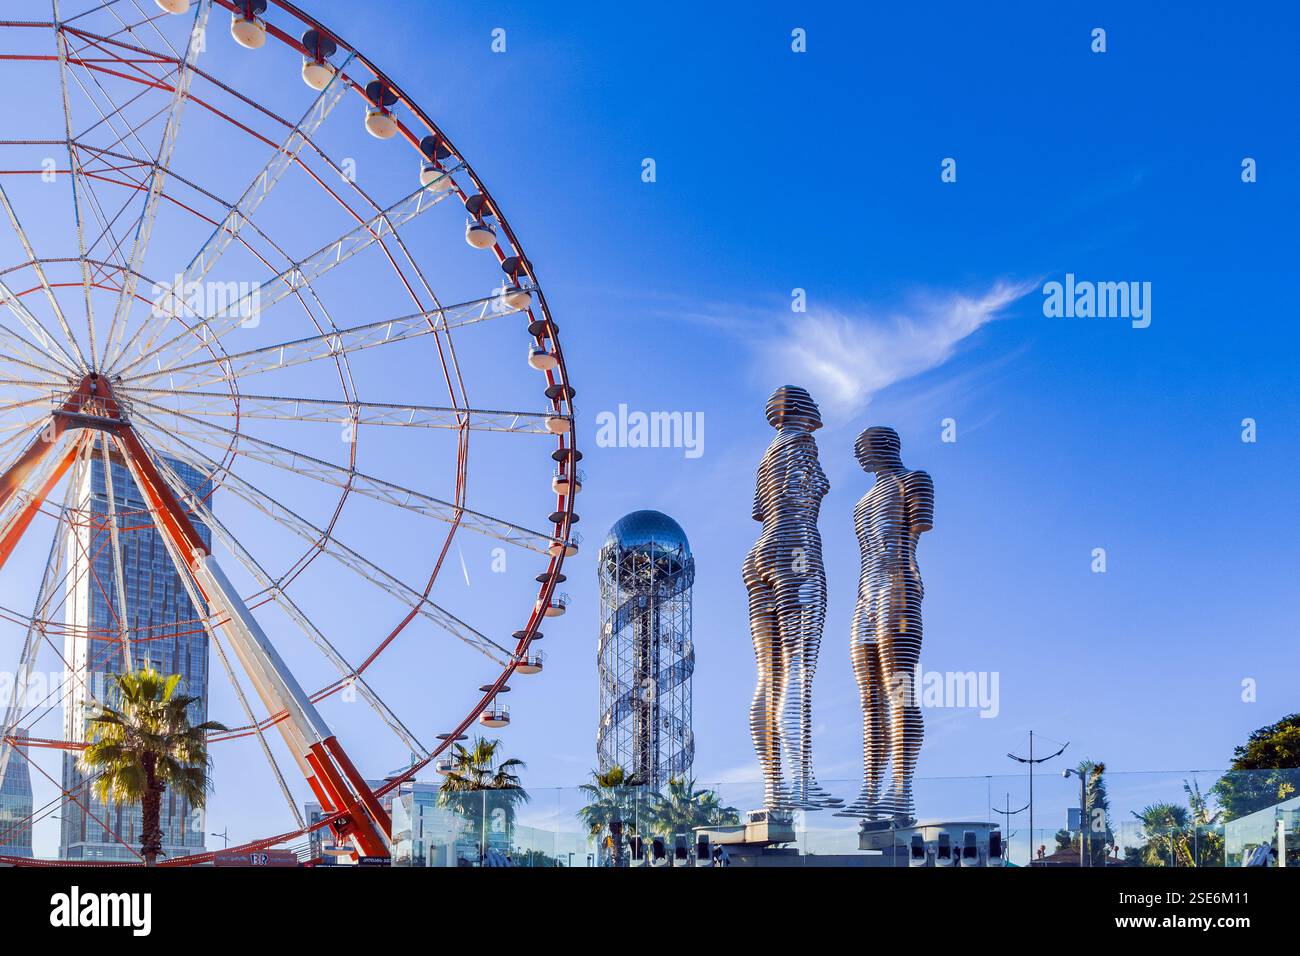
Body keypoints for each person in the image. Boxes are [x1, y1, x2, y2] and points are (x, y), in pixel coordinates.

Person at [744, 385, 833, 810]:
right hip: (796, 543)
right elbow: (817, 490)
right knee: (799, 669)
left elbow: (760, 510)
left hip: (760, 549)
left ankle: (772, 786)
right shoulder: (802, 443)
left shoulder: (766, 454)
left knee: (767, 675)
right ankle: (801, 784)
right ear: (799, 409)